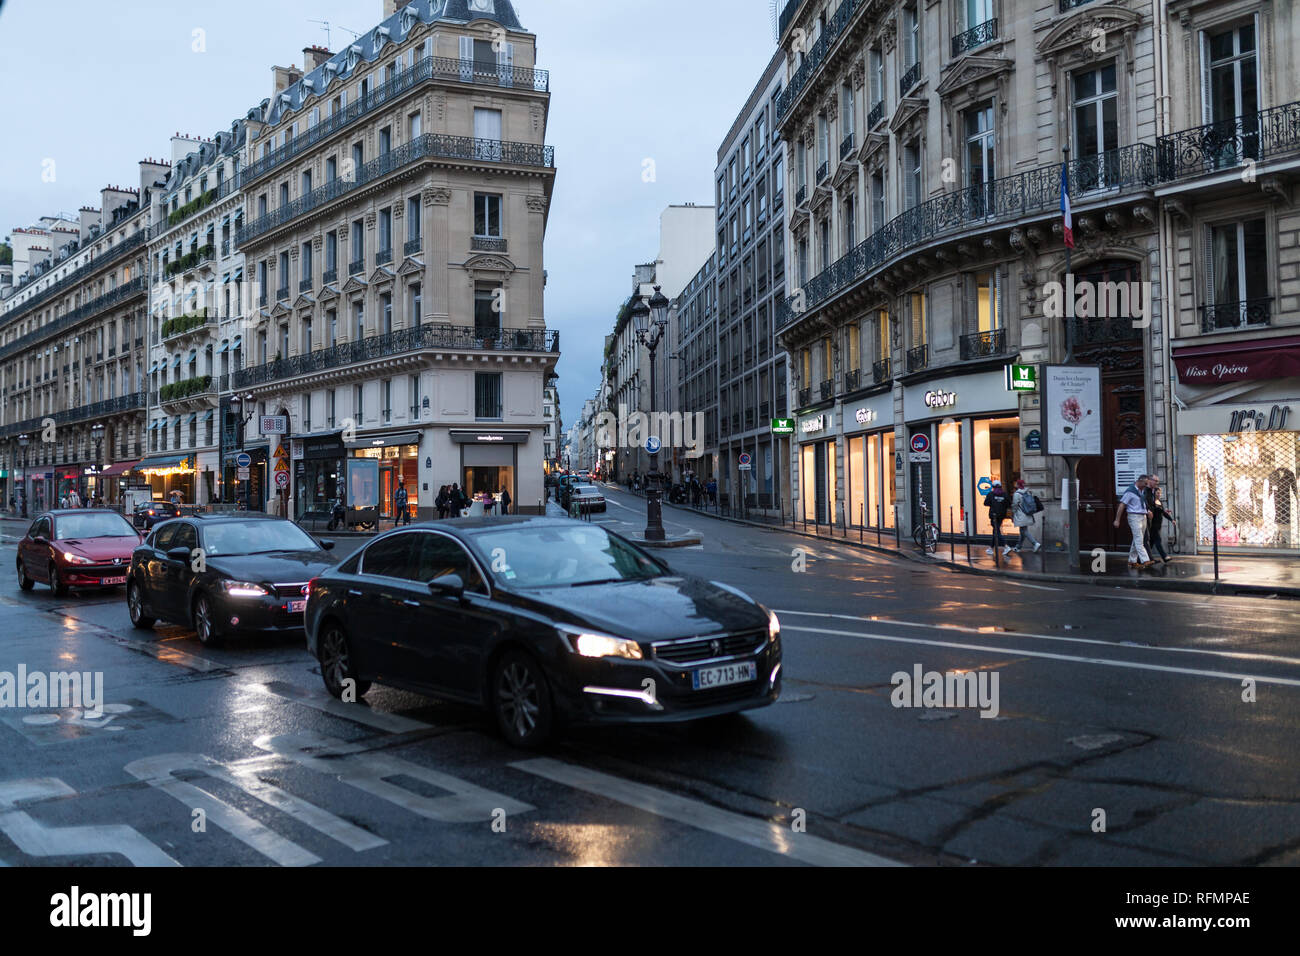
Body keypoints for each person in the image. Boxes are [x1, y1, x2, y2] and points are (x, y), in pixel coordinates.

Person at [1115, 474, 1152, 568]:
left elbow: (1142, 503)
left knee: (1137, 539)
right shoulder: (1130, 492)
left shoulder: (1142, 490)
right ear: (1139, 481)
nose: (1146, 486)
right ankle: (1146, 560)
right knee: (1139, 539)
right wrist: (1117, 520)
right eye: (1145, 483)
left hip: (1143, 516)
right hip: (1134, 516)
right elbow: (1122, 505)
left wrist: (1147, 511)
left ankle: (1132, 561)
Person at [1144, 474, 1176, 563]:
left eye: (1160, 493)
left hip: (1158, 524)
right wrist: (1148, 510)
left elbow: (1163, 512)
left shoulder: (1158, 502)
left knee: (1151, 543)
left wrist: (1171, 519)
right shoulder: (1147, 493)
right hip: (1152, 523)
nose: (1157, 483)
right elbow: (1146, 504)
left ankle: (1145, 558)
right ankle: (1164, 556)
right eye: (1156, 481)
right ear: (1150, 480)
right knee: (1157, 540)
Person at [1010, 479, 1042, 554]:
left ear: (1018, 485)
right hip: (1028, 513)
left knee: (1024, 531)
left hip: (1021, 515)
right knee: (1022, 531)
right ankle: (1018, 547)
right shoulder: (1027, 492)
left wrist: (1013, 514)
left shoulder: (1017, 494)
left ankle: (1035, 543)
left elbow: (1015, 505)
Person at [983, 480, 1012, 557]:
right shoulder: (1004, 494)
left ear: (993, 487)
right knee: (995, 531)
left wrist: (993, 503)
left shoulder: (991, 494)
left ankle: (1006, 546)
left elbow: (986, 503)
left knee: (996, 531)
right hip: (1001, 515)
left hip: (994, 515)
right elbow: (1009, 504)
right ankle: (990, 548)